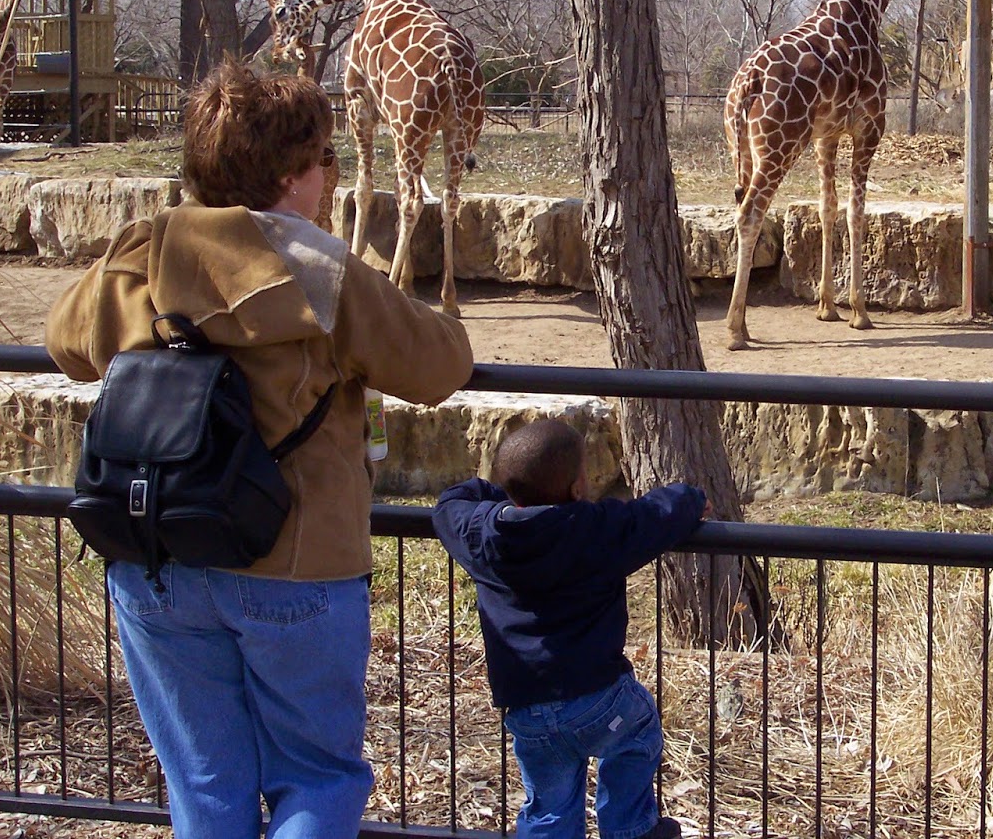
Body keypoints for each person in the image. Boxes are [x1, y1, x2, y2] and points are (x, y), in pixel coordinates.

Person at [46, 58, 475, 839]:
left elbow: (65, 344)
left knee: (206, 787)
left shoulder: (139, 252)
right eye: (323, 162)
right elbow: (441, 365)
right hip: (296, 565)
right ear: (288, 175)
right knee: (317, 777)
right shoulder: (318, 270)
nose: (327, 179)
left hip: (155, 553)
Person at [432, 419, 708, 839]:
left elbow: (449, 503)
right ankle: (631, 830)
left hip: (527, 711)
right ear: (577, 488)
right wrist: (693, 497)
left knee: (547, 808)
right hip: (601, 701)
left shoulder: (480, 533)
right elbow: (655, 513)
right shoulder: (595, 529)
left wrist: (500, 494)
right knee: (637, 728)